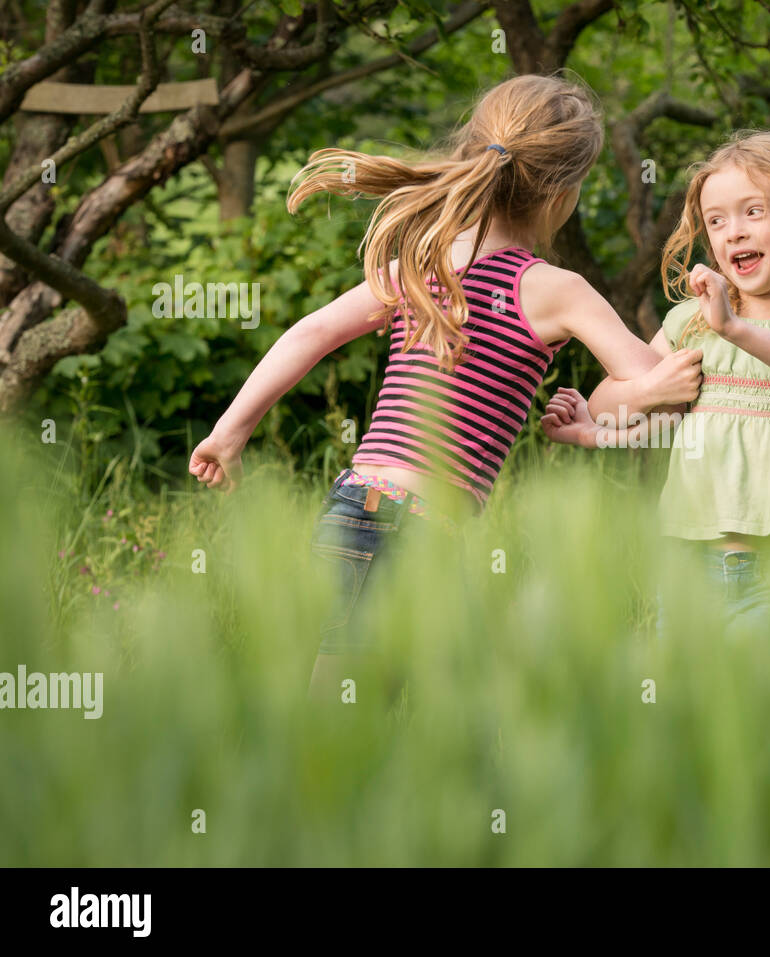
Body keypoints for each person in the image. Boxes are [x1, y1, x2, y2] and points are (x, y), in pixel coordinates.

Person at [187, 75, 702, 696]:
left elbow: (310, 333)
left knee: (370, 699)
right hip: (419, 525)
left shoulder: (421, 262)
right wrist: (711, 335)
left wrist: (228, 433)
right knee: (357, 713)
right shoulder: (555, 288)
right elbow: (658, 384)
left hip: (359, 507)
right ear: (562, 191)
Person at [541, 130, 770, 656]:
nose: (733, 232)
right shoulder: (691, 321)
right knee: (690, 712)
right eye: (717, 220)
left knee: (748, 703)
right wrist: (600, 429)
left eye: (754, 211)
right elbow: (612, 402)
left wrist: (735, 329)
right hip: (689, 562)